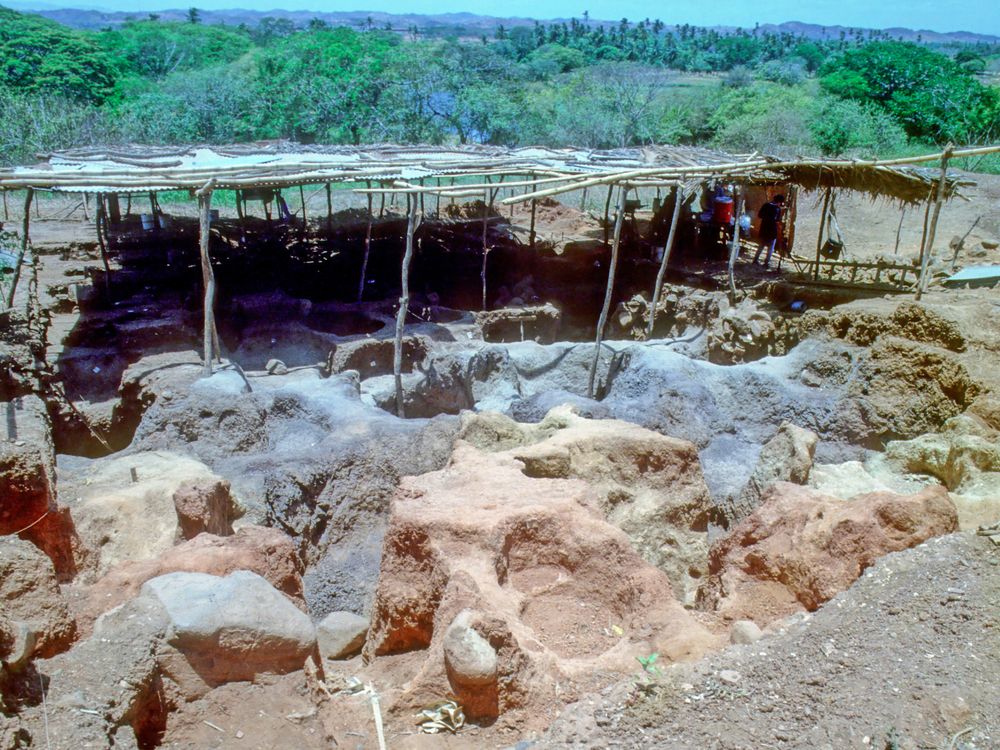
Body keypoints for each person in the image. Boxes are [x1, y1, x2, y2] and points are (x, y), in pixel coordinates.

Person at [753, 194, 785, 267]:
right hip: (772, 230)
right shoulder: (777, 209)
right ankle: (766, 263)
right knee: (770, 248)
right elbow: (777, 220)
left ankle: (755, 260)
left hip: (764, 228)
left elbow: (760, 215)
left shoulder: (766, 205)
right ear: (779, 202)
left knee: (761, 245)